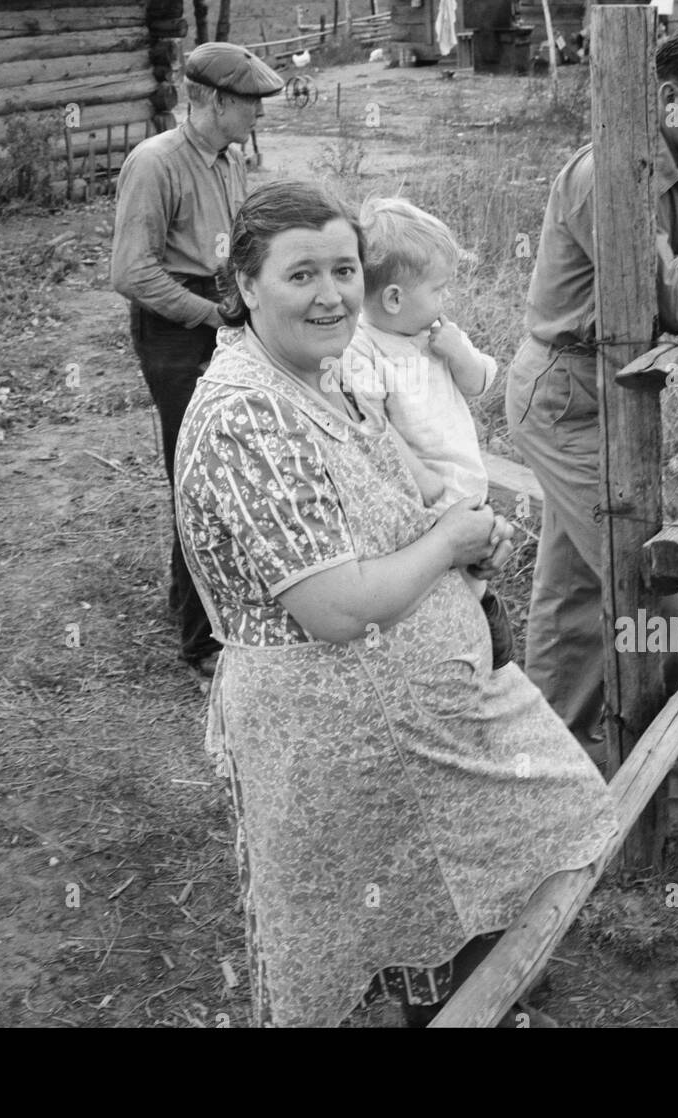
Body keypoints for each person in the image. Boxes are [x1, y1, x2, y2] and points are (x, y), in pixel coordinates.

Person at [174, 181, 619, 1028]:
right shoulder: (245, 418)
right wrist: (450, 545)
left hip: (403, 707)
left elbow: (387, 486)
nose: (333, 293)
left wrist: (451, 524)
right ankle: (473, 1004)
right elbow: (337, 610)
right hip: (330, 727)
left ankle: (480, 1001)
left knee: (450, 877)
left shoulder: (318, 371)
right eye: (301, 274)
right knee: (403, 892)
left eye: (343, 269)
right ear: (243, 285)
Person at [504, 20, 678, 840]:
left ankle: (550, 777)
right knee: (647, 588)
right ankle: (657, 791)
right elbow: (676, 303)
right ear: (667, 100)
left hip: (613, 398)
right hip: (566, 396)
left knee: (573, 597)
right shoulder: (611, 173)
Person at [110, 42, 284, 678]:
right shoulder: (154, 164)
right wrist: (213, 316)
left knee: (238, 466)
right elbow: (130, 271)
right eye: (251, 104)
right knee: (196, 477)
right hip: (178, 330)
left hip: (221, 316)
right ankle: (200, 640)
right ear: (214, 101)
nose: (259, 116)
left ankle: (229, 605)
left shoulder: (229, 157)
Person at [342, 195, 514, 665]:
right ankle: (467, 661)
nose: (445, 301)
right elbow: (374, 429)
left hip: (466, 494)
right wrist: (430, 490)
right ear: (395, 298)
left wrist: (459, 352)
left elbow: (479, 383)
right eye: (438, 290)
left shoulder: (437, 334)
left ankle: (483, 654)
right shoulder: (362, 349)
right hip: (423, 508)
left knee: (475, 583)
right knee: (442, 603)